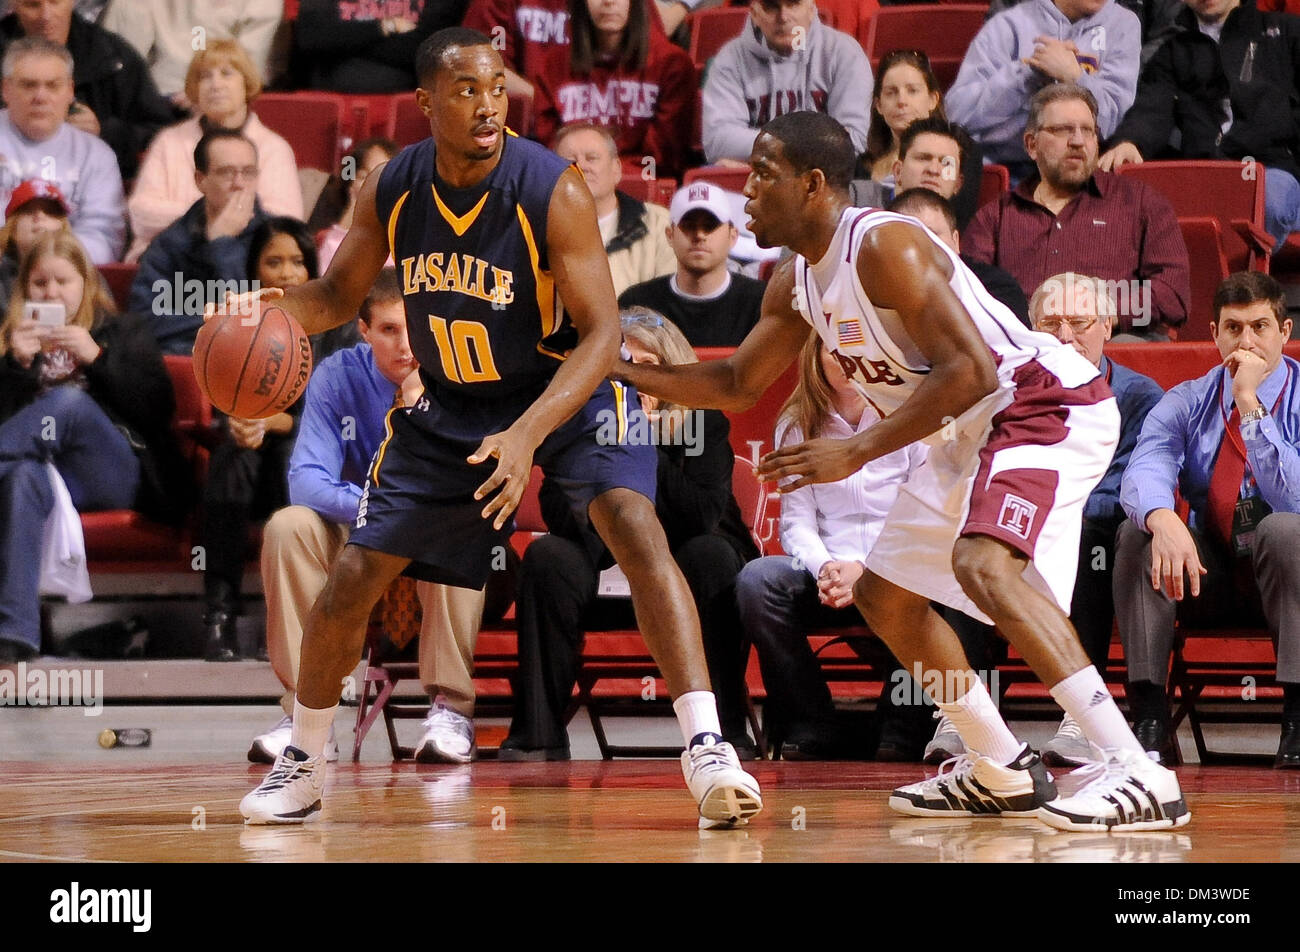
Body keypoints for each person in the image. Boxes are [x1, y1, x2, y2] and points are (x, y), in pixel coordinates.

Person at [238, 27, 762, 827]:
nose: (487, 105)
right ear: (425, 102)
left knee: (633, 524)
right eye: (465, 90)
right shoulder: (391, 186)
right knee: (354, 577)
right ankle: (305, 759)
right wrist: (269, 316)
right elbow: (340, 295)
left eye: (494, 88)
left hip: (570, 384)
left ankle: (706, 746)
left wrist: (525, 438)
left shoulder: (552, 187)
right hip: (452, 402)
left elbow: (599, 333)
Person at [618, 109, 1190, 831]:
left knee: (985, 565)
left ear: (814, 183)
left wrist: (854, 450)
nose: (747, 192)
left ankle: (1136, 770)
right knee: (887, 599)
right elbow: (735, 382)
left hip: (1036, 402)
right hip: (963, 427)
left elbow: (971, 370)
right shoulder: (796, 279)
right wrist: (616, 368)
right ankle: (1000, 764)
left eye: (763, 176)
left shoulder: (882, 246)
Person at [254, 268, 493, 765]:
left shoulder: (458, 373)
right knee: (288, 526)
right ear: (363, 330)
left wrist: (421, 411)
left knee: (454, 522)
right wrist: (378, 509)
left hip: (438, 527)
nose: (405, 345)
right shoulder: (336, 375)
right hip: (365, 529)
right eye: (388, 330)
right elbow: (306, 480)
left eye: (414, 328)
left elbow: (466, 478)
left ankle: (451, 708)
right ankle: (308, 714)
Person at [925, 272, 1165, 766]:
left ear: (1107, 325)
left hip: (1082, 529)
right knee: (965, 541)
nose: (1064, 337)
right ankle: (967, 713)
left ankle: (1081, 717)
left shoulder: (1140, 396)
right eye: (1050, 323)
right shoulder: (1003, 389)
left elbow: (1124, 488)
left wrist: (1050, 517)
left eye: (1079, 323)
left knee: (1096, 540)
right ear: (1030, 327)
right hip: (1017, 522)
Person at [503, 309, 760, 759]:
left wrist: (634, 449)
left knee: (710, 556)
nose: (634, 381)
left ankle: (725, 731)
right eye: (623, 367)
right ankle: (537, 735)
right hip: (603, 556)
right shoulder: (580, 423)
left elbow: (698, 516)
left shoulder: (703, 422)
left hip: (684, 559)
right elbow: (559, 518)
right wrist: (601, 448)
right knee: (549, 559)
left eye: (647, 368)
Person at [1116, 271, 1300, 768]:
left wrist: (1249, 404)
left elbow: (1295, 500)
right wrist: (1161, 517)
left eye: (1260, 326)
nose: (1247, 341)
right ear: (1215, 335)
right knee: (1138, 533)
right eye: (1233, 328)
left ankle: (1298, 721)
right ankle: (1150, 720)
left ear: (1284, 332)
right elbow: (1144, 468)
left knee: (1286, 530)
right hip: (1209, 573)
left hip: (1290, 576)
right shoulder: (1187, 399)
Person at [737, 330, 925, 759]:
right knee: (757, 580)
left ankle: (901, 730)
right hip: (827, 574)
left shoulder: (911, 417)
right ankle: (811, 724)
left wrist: (865, 567)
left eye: (858, 351)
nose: (844, 360)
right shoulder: (797, 423)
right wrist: (826, 567)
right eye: (833, 350)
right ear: (815, 355)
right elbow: (797, 521)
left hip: (897, 566)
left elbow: (922, 515)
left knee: (937, 582)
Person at [0, 231, 186, 662]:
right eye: (40, 283)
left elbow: (158, 410)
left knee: (67, 402)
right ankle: (15, 639)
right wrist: (15, 368)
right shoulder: (10, 343)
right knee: (23, 477)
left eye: (62, 282)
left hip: (110, 471)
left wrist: (98, 358)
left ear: (85, 282)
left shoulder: (121, 331)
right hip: (47, 479)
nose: (51, 292)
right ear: (24, 289)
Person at [199, 217, 353, 662]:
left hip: (309, 465)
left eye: (297, 262)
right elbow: (212, 409)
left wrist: (274, 421)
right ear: (254, 273)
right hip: (248, 468)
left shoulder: (338, 327)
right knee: (231, 460)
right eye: (273, 262)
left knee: (293, 455)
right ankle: (218, 616)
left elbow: (339, 420)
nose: (286, 273)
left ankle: (290, 617)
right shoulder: (234, 323)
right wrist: (237, 421)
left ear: (312, 270)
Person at [963, 84, 1191, 340]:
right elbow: (970, 295)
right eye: (1062, 130)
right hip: (1027, 345)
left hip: (1112, 344)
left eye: (1088, 131)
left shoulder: (1140, 203)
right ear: (1031, 144)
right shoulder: (996, 217)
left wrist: (1101, 313)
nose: (1078, 141)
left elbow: (1173, 294)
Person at [1098, 0, 1300, 247]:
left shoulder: (1288, 32)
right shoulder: (1173, 52)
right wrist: (1131, 141)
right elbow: (1152, 108)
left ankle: (1238, 283)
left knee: (1265, 203)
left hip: (1275, 171)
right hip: (1206, 174)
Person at [125, 40, 303, 263]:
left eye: (226, 74)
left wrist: (198, 223)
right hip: (169, 260)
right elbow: (141, 214)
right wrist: (220, 217)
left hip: (247, 264)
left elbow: (285, 223)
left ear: (246, 84)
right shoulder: (169, 141)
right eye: (205, 76)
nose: (215, 84)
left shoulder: (274, 148)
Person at [946, 0, 1140, 182]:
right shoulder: (1008, 24)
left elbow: (1110, 120)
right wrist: (1027, 73)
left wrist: (1075, 77)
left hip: (1080, 172)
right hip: (1007, 167)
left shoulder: (1123, 25)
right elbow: (959, 115)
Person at [0, 0, 174, 181]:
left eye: (55, 2)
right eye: (32, 5)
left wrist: (104, 131)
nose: (46, 15)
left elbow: (159, 134)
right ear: (14, 5)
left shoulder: (114, 57)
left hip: (94, 181)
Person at [130, 128, 268, 355]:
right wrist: (219, 322)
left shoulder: (279, 237)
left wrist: (222, 245)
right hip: (189, 356)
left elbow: (256, 320)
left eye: (248, 172)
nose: (239, 183)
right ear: (200, 179)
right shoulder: (170, 243)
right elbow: (145, 320)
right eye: (226, 173)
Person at [532, 0, 696, 179]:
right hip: (572, 188)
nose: (608, 2)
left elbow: (664, 158)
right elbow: (550, 151)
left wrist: (602, 176)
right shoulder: (551, 66)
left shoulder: (672, 64)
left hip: (643, 190)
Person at [701, 0, 872, 169]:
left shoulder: (843, 52)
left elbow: (854, 139)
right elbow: (717, 141)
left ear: (811, 9)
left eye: (793, 4)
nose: (783, 17)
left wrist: (770, 155)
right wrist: (806, 147)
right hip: (754, 186)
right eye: (771, 6)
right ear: (754, 14)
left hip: (826, 182)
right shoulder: (730, 60)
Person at [0, 37, 125, 264]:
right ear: (5, 89)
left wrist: (53, 247)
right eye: (29, 85)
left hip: (66, 282)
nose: (40, 97)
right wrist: (12, 244)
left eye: (52, 85)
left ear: (70, 91)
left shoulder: (97, 156)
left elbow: (106, 241)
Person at [617, 181, 765, 347]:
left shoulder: (762, 302)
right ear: (670, 235)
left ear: (733, 236)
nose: (699, 235)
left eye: (710, 226)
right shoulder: (637, 303)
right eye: (689, 226)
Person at [858, 52, 984, 229]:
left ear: (933, 100)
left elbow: (958, 222)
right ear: (879, 105)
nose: (901, 101)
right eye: (891, 93)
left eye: (912, 91)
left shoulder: (964, 152)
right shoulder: (862, 165)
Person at [553, 121, 675, 296]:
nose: (581, 167)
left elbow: (671, 302)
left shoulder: (659, 224)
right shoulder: (537, 229)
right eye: (570, 161)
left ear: (616, 169)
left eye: (591, 158)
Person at [887, 188, 1029, 327]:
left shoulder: (997, 287)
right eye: (909, 237)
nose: (922, 246)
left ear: (955, 241)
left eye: (932, 235)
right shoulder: (875, 292)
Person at [101, 0, 283, 108]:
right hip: (157, 101)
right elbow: (120, 67)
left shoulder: (262, 4)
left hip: (226, 101)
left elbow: (249, 69)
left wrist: (207, 88)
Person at [290, 0, 472, 93]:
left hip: (406, 103)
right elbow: (310, 37)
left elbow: (427, 49)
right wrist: (383, 28)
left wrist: (343, 41)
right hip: (326, 96)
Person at [854, 114, 985, 232]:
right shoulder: (855, 200)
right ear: (898, 171)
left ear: (957, 184)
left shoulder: (954, 233)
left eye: (946, 163)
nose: (933, 170)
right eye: (923, 158)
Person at [308, 137, 398, 271]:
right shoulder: (331, 242)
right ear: (350, 186)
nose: (372, 184)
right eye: (363, 177)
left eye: (383, 176)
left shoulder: (408, 241)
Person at [0, 177, 71, 309]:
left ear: (63, 226)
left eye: (50, 211)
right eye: (28, 211)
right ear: (12, 229)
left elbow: (107, 325)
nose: (39, 216)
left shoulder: (85, 272)